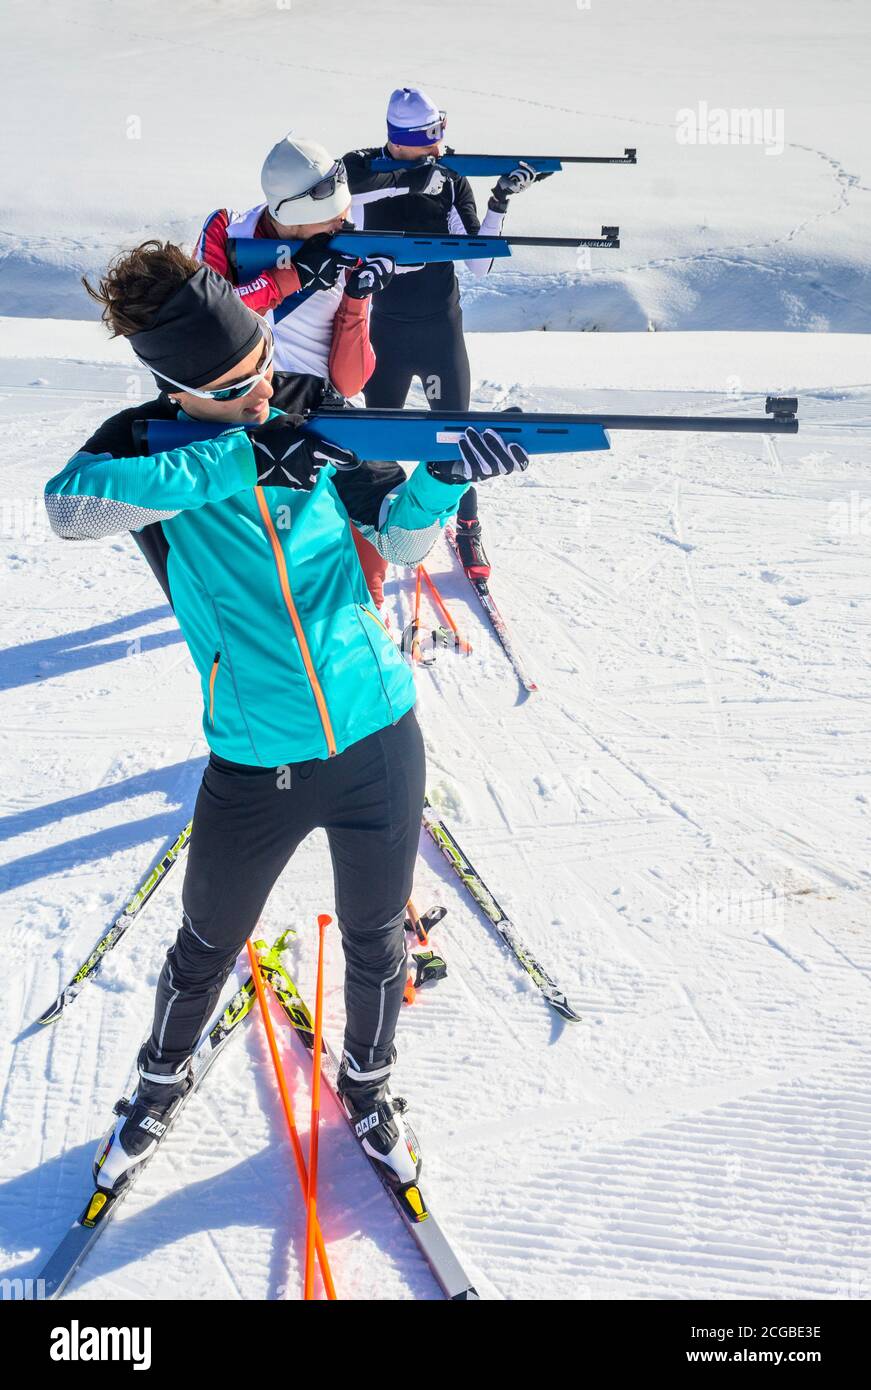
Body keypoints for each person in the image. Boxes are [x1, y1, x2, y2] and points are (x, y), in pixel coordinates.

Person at [44, 243, 529, 1192]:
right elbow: (70, 512)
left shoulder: (311, 408)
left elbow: (396, 536)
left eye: (264, 362)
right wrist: (241, 456)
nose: (265, 392)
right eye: (234, 385)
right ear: (174, 390)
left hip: (377, 733)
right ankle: (156, 1084)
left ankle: (370, 1083)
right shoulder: (141, 442)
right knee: (205, 946)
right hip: (255, 753)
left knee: (378, 937)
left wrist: (445, 478)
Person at [197, 132, 423, 609]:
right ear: (294, 217)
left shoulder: (350, 247)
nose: (344, 218)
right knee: (254, 572)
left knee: (372, 547)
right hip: (247, 414)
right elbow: (207, 321)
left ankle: (369, 615)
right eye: (332, 214)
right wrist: (291, 277)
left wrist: (358, 301)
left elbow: (351, 381)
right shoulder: (226, 231)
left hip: (325, 404)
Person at [344, 86, 540, 581]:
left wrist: (499, 201)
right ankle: (375, 537)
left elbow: (481, 264)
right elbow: (354, 204)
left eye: (441, 132)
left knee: (457, 437)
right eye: (432, 135)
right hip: (384, 330)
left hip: (439, 331)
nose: (439, 144)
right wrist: (411, 183)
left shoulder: (449, 182)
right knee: (377, 442)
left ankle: (468, 527)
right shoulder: (359, 173)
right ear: (404, 138)